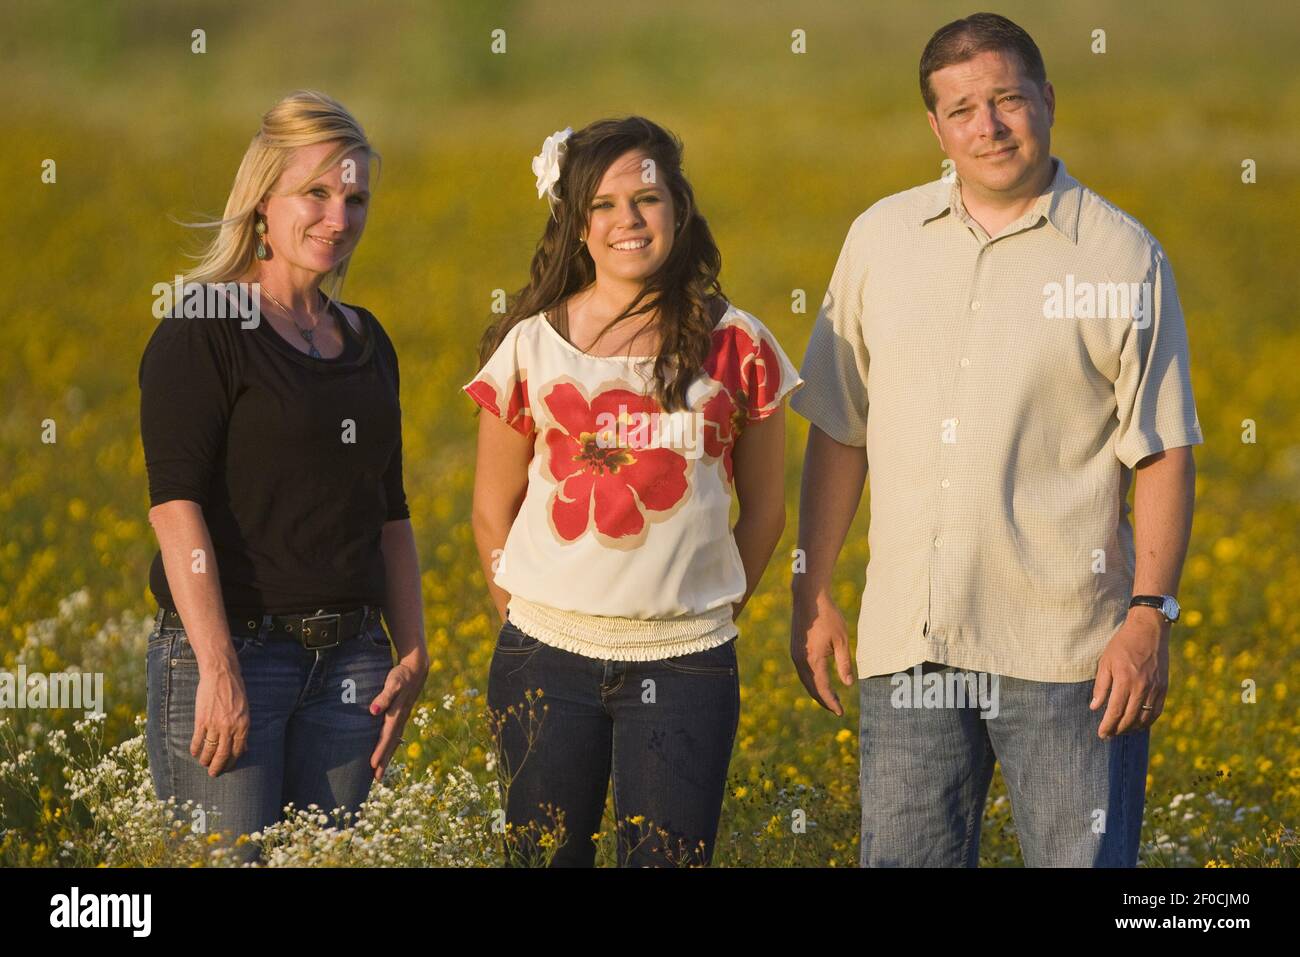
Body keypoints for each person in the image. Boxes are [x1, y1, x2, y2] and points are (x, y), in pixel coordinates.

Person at [789, 13, 1202, 867]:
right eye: (965, 108)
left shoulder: (1123, 258)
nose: (990, 125)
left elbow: (1162, 449)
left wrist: (1148, 617)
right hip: (913, 643)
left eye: (1009, 99)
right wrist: (815, 587)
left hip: (1071, 653)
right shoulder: (880, 239)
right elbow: (839, 428)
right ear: (934, 127)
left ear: (1048, 100)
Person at [465, 116, 803, 867]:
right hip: (544, 657)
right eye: (604, 205)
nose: (628, 220)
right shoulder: (531, 345)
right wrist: (527, 624)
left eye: (646, 198)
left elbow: (767, 509)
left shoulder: (738, 343)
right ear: (576, 223)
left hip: (689, 664)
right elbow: (492, 509)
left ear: (679, 210)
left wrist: (697, 609)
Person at [139, 90, 429, 862]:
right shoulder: (203, 328)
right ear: (262, 199)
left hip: (353, 667)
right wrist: (219, 667)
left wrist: (413, 649)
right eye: (318, 193)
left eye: (356, 197)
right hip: (236, 655)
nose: (340, 217)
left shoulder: (367, 340)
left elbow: (390, 507)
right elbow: (176, 510)